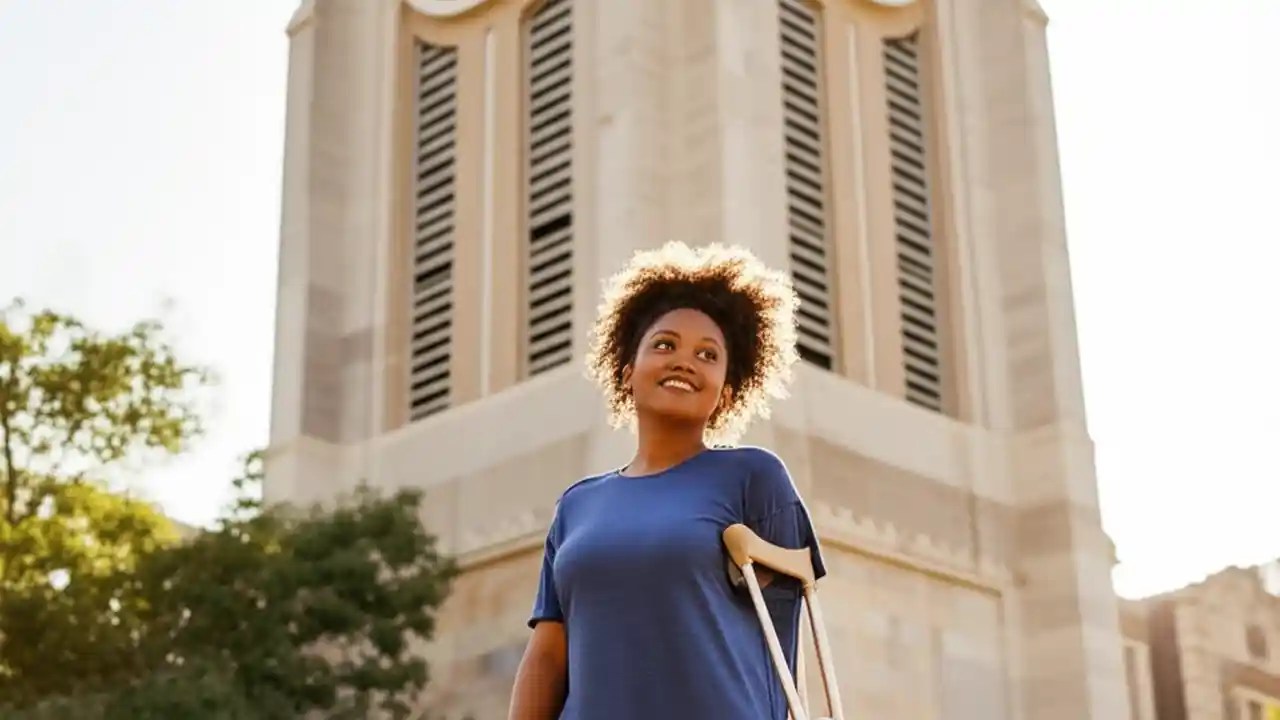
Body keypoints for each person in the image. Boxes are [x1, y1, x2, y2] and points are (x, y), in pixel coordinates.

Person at [507, 241, 827, 720]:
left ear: (726, 392)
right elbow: (549, 654)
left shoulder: (753, 477)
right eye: (664, 345)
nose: (684, 361)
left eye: (707, 355)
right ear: (627, 370)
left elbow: (780, 637)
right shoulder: (578, 506)